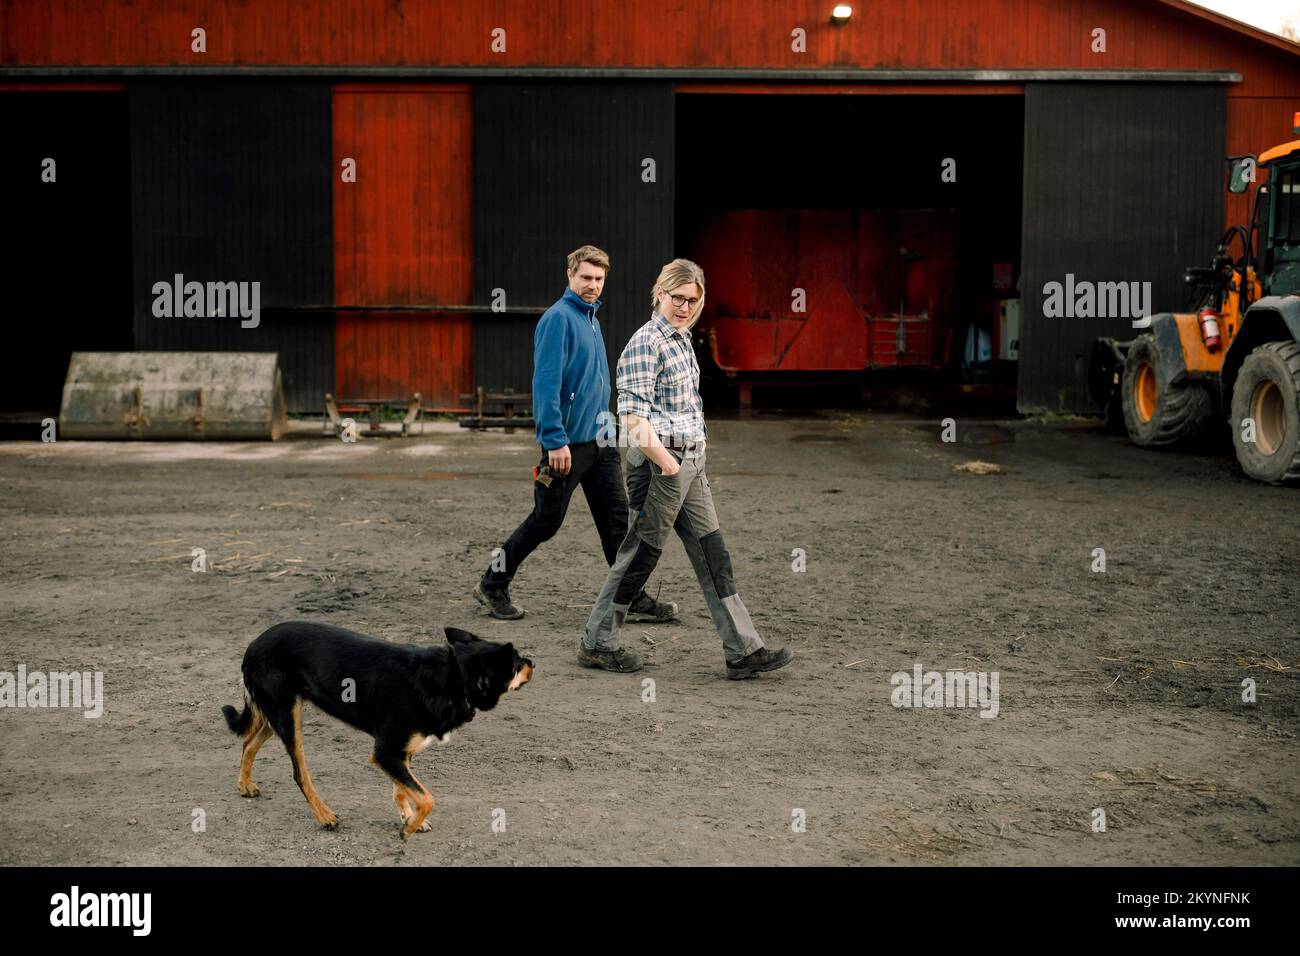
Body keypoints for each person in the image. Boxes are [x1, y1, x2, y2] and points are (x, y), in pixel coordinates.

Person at [578, 258, 794, 679]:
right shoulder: (646, 344)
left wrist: (693, 461)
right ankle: (597, 643)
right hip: (663, 466)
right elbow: (633, 422)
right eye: (678, 298)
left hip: (689, 463)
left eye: (693, 301)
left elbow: (687, 409)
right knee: (639, 555)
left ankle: (742, 651)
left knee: (714, 554)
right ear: (659, 294)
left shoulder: (681, 339)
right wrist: (671, 467)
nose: (685, 307)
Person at [474, 245, 678, 623]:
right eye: (586, 277)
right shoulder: (558, 319)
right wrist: (553, 439)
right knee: (545, 521)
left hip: (601, 440)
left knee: (618, 522)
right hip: (568, 444)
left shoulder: (592, 320)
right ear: (570, 275)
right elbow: (546, 384)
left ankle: (628, 596)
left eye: (599, 279)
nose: (593, 285)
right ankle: (492, 583)